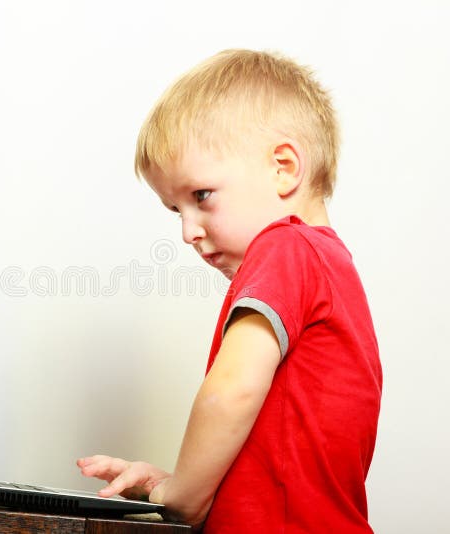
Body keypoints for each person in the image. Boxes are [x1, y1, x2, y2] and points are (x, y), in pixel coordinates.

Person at [76, 49, 382, 533]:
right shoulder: (327, 266)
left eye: (201, 196)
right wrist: (170, 482)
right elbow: (281, 468)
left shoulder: (286, 247)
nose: (188, 232)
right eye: (176, 210)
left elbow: (232, 391)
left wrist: (185, 495)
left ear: (283, 168)